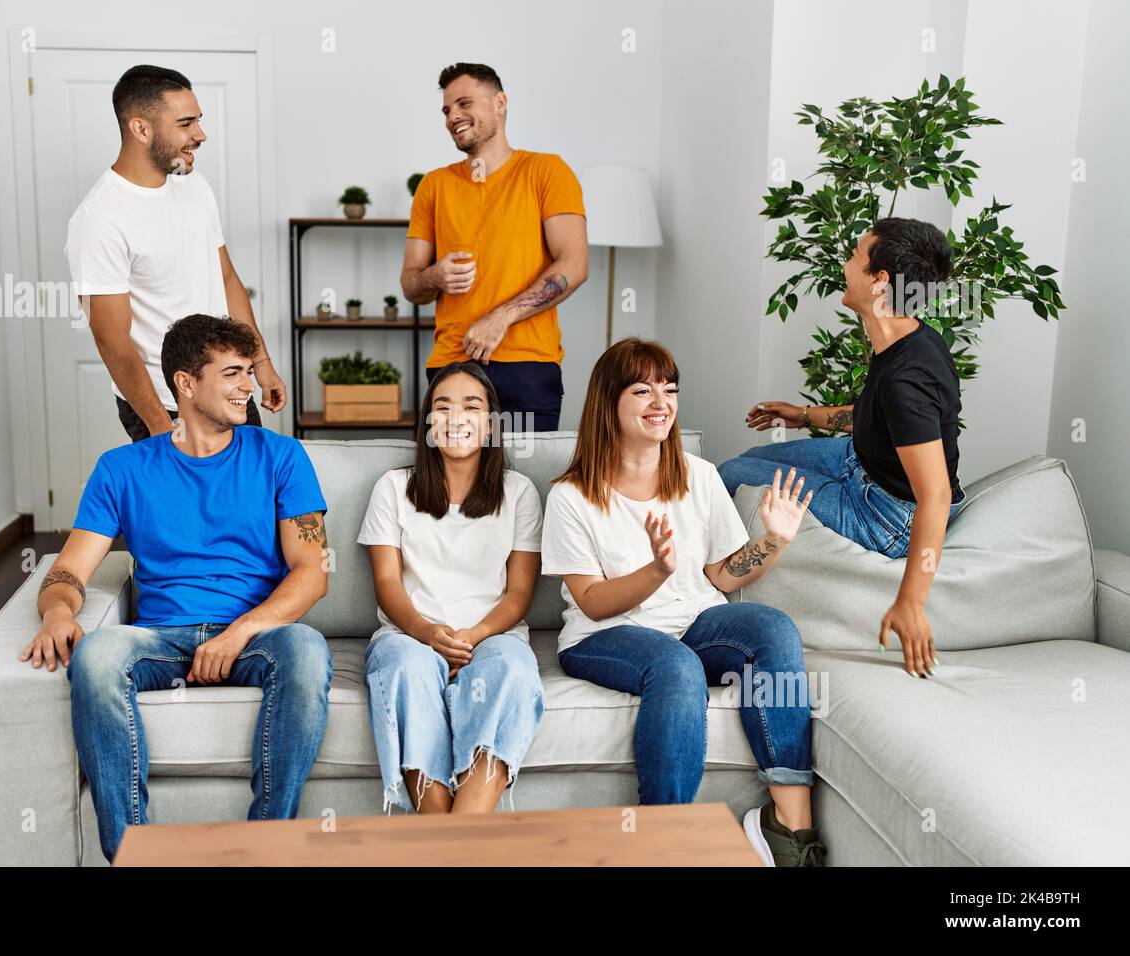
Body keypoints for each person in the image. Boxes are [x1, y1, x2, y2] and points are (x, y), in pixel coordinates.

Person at [19, 315, 330, 861]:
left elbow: (312, 571)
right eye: (232, 373)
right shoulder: (122, 469)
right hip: (161, 637)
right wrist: (58, 616)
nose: (249, 386)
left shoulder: (282, 456)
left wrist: (239, 633)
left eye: (249, 372)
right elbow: (68, 572)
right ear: (186, 384)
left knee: (306, 648)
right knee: (94, 656)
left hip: (255, 634)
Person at [541, 337, 826, 867]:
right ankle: (662, 841)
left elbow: (721, 574)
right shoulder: (571, 496)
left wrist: (774, 540)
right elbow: (594, 602)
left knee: (773, 628)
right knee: (675, 666)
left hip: (693, 622)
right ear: (609, 402)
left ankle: (790, 827)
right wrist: (655, 571)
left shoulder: (699, 475)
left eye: (669, 390)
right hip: (604, 636)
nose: (661, 402)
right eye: (643, 389)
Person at [719, 217, 965, 679]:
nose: (846, 263)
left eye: (856, 255)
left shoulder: (906, 379)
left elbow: (935, 495)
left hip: (887, 514)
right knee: (743, 463)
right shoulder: (905, 336)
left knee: (727, 476)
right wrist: (801, 415)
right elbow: (878, 418)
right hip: (862, 463)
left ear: (879, 280)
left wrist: (910, 601)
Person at [357, 361, 544, 813]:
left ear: (492, 423)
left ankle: (459, 835)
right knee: (407, 668)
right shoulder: (393, 487)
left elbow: (519, 594)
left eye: (471, 406)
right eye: (442, 407)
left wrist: (472, 637)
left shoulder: (519, 492)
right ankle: (443, 831)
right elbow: (387, 582)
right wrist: (427, 633)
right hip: (408, 635)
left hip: (492, 634)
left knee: (513, 670)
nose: (456, 418)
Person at [66, 64, 286, 442]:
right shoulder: (99, 219)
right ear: (140, 128)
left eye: (198, 121)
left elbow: (227, 279)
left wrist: (260, 364)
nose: (200, 135)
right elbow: (112, 341)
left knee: (249, 497)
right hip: (168, 402)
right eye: (186, 124)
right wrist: (158, 425)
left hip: (230, 384)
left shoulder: (194, 186)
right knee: (186, 502)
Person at [400, 62, 589, 432]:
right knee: (452, 485)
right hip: (451, 367)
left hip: (527, 366)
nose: (453, 116)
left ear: (500, 103)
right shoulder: (433, 186)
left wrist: (499, 319)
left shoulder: (547, 171)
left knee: (526, 483)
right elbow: (410, 284)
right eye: (446, 110)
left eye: (464, 103)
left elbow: (575, 264)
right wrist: (434, 275)